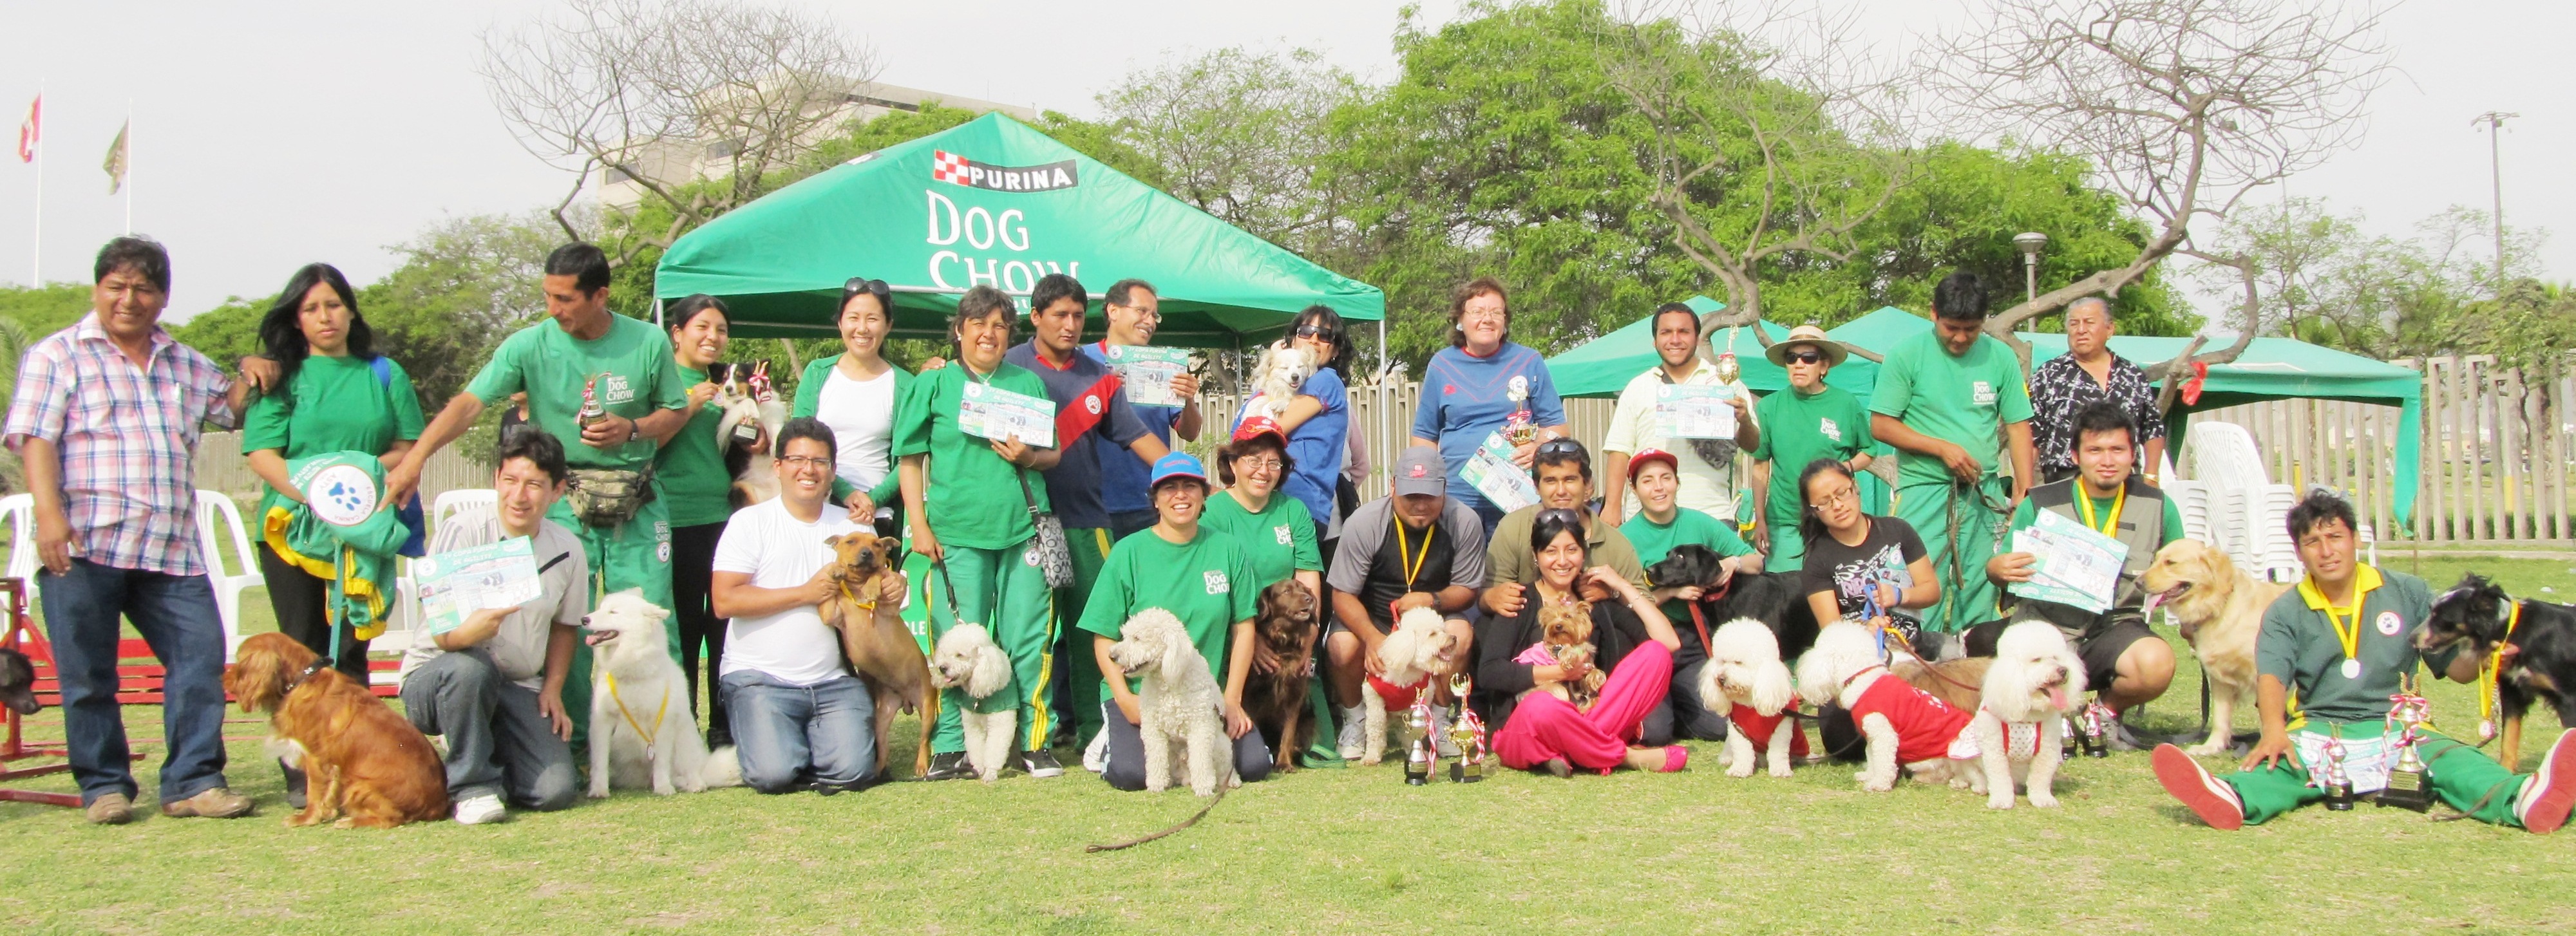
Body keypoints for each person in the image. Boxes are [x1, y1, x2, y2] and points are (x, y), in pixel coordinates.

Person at [5, 236, 274, 824]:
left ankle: (194, 781)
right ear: (98, 289)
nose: (129, 299)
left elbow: (230, 410)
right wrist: (49, 517)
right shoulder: (58, 356)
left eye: (143, 288)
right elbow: (36, 439)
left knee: (200, 660)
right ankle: (105, 787)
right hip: (84, 544)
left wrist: (251, 374)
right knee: (88, 675)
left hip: (171, 549)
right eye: (117, 286)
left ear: (163, 297)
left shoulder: (182, 360)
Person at [387, 242, 692, 745]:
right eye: (548, 296)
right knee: (563, 618)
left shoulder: (647, 340)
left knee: (651, 615)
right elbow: (469, 403)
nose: (554, 309)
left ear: (600, 295)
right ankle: (567, 740)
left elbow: (677, 410)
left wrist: (632, 428)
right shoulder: (528, 345)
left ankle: (665, 742)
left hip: (635, 497)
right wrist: (417, 458)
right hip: (562, 497)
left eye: (565, 299)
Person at [2152, 491, 2576, 833]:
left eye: (2335, 537)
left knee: (2460, 763)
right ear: (2300, 553)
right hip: (2320, 728)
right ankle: (2228, 796)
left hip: (2400, 728)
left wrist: (2486, 656)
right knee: (2280, 767)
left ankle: (2525, 799)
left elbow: (2458, 672)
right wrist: (2274, 732)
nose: (2327, 551)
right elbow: (2271, 677)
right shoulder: (2286, 609)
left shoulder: (2406, 592)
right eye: (2312, 542)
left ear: (2355, 539)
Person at [896, 285, 1064, 782]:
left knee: (1028, 639)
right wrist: (919, 526)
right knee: (955, 646)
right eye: (978, 324)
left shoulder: (1027, 383)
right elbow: (909, 460)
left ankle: (1034, 741)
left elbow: (1052, 453)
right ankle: (951, 744)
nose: (989, 334)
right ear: (959, 330)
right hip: (956, 535)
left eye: (998, 326)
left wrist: (1029, 457)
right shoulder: (933, 384)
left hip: (1022, 533)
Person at [1005, 273, 1169, 765]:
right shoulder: (1009, 367)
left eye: (1078, 315)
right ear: (1036, 317)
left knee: (1093, 629)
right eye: (1059, 315)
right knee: (1028, 630)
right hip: (1022, 522)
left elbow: (1137, 438)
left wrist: (1186, 477)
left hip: (1086, 519)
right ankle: (1027, 733)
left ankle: (1099, 731)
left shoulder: (1100, 375)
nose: (1070, 324)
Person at [242, 263, 424, 685]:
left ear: (352, 312)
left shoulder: (384, 374)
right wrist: (318, 494)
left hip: (364, 525)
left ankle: (354, 750)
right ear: (295, 318)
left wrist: (356, 483)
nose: (325, 317)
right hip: (291, 529)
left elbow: (407, 447)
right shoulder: (280, 376)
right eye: (311, 309)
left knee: (350, 654)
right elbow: (262, 455)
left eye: (334, 305)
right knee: (301, 656)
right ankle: (302, 753)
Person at [398, 430, 589, 825]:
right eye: (510, 480)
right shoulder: (462, 531)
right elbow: (441, 634)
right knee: (472, 667)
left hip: (516, 683)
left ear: (557, 491)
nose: (520, 496)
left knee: (555, 791)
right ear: (496, 479)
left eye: (535, 485)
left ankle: (485, 758)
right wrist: (470, 634)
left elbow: (566, 627)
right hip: (439, 675)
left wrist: (552, 687)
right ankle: (472, 788)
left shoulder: (568, 548)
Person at [1976, 401, 2181, 747]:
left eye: (2118, 450)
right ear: (2075, 456)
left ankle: (2101, 713)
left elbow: (2180, 568)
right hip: (2048, 625)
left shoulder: (2159, 506)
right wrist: (1996, 568)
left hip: (2116, 626)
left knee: (2156, 663)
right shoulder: (2040, 503)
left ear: (2134, 455)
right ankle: (2054, 714)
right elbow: (2002, 566)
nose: (2107, 460)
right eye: (2095, 450)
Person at [709, 418, 895, 794]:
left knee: (854, 771)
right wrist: (804, 594)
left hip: (832, 682)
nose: (808, 470)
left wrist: (892, 593)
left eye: (820, 462)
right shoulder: (749, 522)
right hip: (759, 678)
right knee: (772, 775)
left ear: (833, 472)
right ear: (778, 466)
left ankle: (815, 743)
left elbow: (880, 611)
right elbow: (724, 601)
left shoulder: (856, 529)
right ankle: (791, 743)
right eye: (797, 459)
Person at [1083, 453, 1274, 790]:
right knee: (1132, 775)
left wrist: (1230, 699)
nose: (1180, 495)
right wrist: (1126, 699)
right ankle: (1107, 740)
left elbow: (1244, 628)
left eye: (1190, 486)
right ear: (1155, 500)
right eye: (1169, 488)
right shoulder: (1129, 552)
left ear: (1203, 496)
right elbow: (1103, 638)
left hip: (1202, 693)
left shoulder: (1227, 549)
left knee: (1252, 765)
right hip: (1140, 692)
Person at [1869, 272, 2035, 651]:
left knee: (1979, 586)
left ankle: (1974, 683)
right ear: (1933, 314)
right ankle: (1909, 679)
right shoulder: (1906, 354)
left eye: (1971, 329)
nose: (1961, 338)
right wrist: (1941, 448)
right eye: (1952, 328)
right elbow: (1881, 425)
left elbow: (2019, 425)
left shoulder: (2001, 356)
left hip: (1983, 494)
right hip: (1924, 489)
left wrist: (2024, 492)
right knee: (1913, 587)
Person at [1475, 509, 1689, 776]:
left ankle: (1573, 749)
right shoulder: (1520, 601)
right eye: (1551, 552)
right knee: (1541, 706)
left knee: (1656, 654)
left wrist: (1622, 586)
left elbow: (1669, 643)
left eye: (1572, 550)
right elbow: (1490, 672)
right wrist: (1559, 673)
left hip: (1591, 714)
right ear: (1536, 556)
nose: (1562, 561)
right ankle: (1625, 756)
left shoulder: (1597, 603)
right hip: (1531, 724)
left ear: (1583, 554)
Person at [1323, 445, 1487, 759]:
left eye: (1429, 496)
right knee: (1341, 647)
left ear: (1444, 490)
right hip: (1374, 616)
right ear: (1393, 486)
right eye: (1411, 496)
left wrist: (1433, 598)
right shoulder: (1365, 522)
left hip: (1433, 618)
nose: (1420, 505)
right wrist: (1373, 639)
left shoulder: (1464, 521)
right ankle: (1356, 720)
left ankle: (1439, 720)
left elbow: (1467, 589)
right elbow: (1342, 594)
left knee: (1460, 637)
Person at [1196, 417, 1331, 767]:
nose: (1264, 470)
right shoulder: (1213, 513)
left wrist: (1308, 641)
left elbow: (1308, 580)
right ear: (1232, 464)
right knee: (1249, 762)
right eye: (1253, 460)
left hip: (1290, 641)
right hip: (1232, 640)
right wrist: (1248, 639)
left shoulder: (1293, 511)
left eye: (1274, 462)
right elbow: (1211, 587)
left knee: (1318, 740)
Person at [656, 294, 755, 747]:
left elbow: (746, 446)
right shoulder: (659, 378)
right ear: (677, 333)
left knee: (722, 624)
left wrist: (753, 434)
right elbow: (640, 443)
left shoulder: (730, 382)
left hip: (721, 517)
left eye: (720, 329)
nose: (713, 337)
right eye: (702, 327)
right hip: (667, 518)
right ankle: (680, 726)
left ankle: (722, 725)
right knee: (681, 628)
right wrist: (688, 408)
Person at [1620, 449, 1763, 743]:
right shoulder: (1626, 536)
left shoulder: (1699, 523)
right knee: (1655, 734)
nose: (1658, 487)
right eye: (1647, 481)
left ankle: (1679, 703)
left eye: (1665, 478)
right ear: (1634, 489)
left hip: (1694, 642)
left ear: (1677, 482)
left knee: (1719, 727)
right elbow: (1623, 603)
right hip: (1650, 643)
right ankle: (1665, 706)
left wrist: (1731, 563)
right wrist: (1671, 592)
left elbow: (1755, 562)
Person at [1410, 277, 1569, 534]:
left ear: (1505, 321)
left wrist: (1540, 446)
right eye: (1478, 312)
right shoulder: (1441, 366)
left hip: (1516, 494)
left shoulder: (1529, 361)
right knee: (1460, 572)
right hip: (1456, 497)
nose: (1488, 319)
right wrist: (1429, 486)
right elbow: (1424, 436)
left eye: (1496, 312)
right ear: (1460, 320)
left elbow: (1557, 427)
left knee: (1515, 571)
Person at [1600, 302, 1758, 523]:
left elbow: (1753, 446)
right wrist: (1612, 507)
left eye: (1684, 332)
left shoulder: (1723, 383)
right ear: (1655, 341)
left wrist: (1745, 421)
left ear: (1696, 337)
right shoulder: (1638, 387)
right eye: (1666, 332)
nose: (1675, 340)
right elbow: (1620, 450)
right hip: (1648, 519)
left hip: (1712, 515)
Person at [1083, 278, 1202, 541]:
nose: (1150, 321)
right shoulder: (1082, 362)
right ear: (1113, 311)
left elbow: (1190, 433)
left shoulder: (1165, 365)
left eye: (1154, 315)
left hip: (1152, 501)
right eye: (1142, 311)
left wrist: (1189, 399)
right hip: (1095, 504)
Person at [1748, 324, 1874, 572]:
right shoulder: (1769, 407)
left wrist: (1843, 467)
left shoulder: (1846, 404)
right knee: (1787, 597)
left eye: (1809, 358)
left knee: (1840, 596)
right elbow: (1761, 468)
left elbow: (1869, 452)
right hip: (1785, 521)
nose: (1799, 364)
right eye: (1792, 358)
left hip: (1835, 519)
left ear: (1824, 366)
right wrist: (1760, 520)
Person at [1479, 439, 1651, 618]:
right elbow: (1487, 595)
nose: (1561, 491)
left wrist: (1613, 594)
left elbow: (1646, 604)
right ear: (1537, 487)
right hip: (1527, 628)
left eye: (1570, 480)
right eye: (1551, 481)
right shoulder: (1513, 528)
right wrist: (1492, 598)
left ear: (1587, 485)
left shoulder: (1615, 542)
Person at [791, 277, 913, 527]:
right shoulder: (817, 373)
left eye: (872, 319)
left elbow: (909, 459)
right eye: (854, 318)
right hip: (817, 506)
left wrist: (872, 499)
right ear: (840, 323)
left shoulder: (905, 384)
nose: (862, 328)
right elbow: (798, 442)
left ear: (888, 325)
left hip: (875, 514)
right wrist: (846, 493)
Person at [1236, 304, 1354, 556]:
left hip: (1299, 507)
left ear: (1335, 349)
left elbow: (1262, 431)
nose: (1313, 339)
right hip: (1264, 501)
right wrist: (1273, 367)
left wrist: (1274, 365)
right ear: (1292, 338)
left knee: (1291, 591)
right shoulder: (1283, 385)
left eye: (1325, 335)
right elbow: (1239, 433)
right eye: (1306, 331)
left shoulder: (1326, 380)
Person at [2029, 297, 2168, 485]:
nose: (2081, 330)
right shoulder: (2049, 374)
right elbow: (2030, 436)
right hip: (2065, 481)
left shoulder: (2131, 375)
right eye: (2074, 324)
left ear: (2110, 329)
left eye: (2089, 323)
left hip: (2125, 481)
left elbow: (2152, 428)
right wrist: (2022, 488)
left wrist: (2152, 476)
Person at [1797, 459, 1940, 641]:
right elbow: (1831, 630)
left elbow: (1932, 591)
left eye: (1842, 493)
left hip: (1912, 650)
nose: (1838, 505)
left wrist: (1899, 595)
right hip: (1863, 658)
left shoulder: (1897, 531)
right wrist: (1863, 629)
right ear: (1814, 511)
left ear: (1855, 487)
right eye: (1825, 503)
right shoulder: (1817, 561)